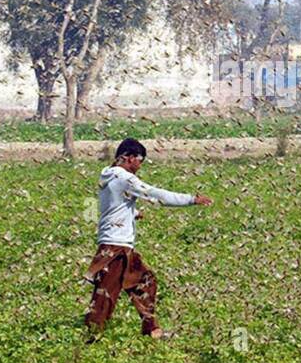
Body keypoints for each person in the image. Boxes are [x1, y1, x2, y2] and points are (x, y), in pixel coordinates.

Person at [84, 137, 211, 340]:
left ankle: (151, 330)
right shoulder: (124, 178)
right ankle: (90, 339)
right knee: (105, 295)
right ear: (128, 158)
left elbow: (112, 206)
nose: (140, 165)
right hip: (115, 247)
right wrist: (191, 199)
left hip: (122, 245)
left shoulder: (108, 177)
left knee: (146, 281)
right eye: (140, 160)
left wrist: (132, 214)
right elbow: (155, 194)